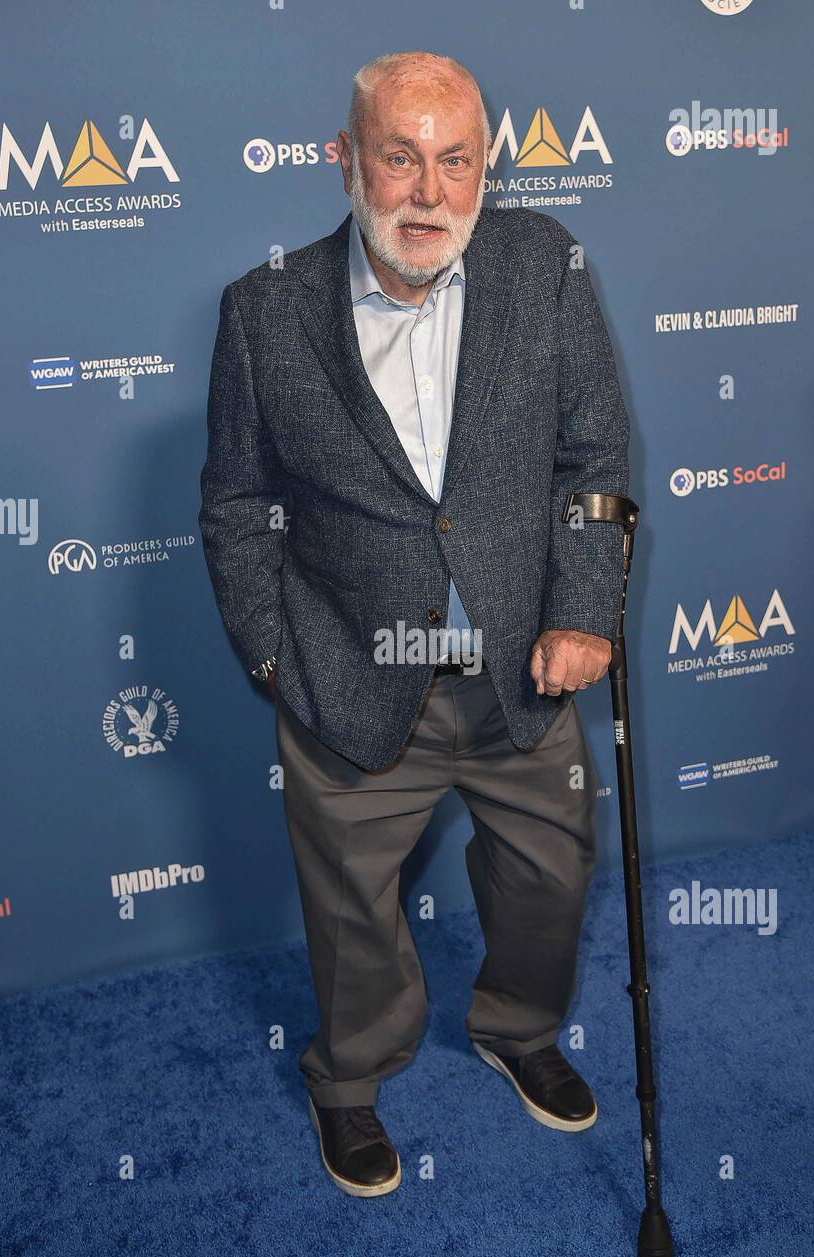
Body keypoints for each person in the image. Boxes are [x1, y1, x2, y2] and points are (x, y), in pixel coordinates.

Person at [199, 50, 630, 1198]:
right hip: (346, 669)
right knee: (351, 915)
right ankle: (347, 1082)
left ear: (484, 168)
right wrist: (276, 656)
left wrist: (582, 610)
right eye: (401, 158)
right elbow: (237, 505)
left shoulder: (544, 265)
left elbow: (592, 458)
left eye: (455, 162)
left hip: (516, 666)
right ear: (346, 162)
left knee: (550, 873)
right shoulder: (264, 311)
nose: (429, 194)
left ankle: (518, 1027)